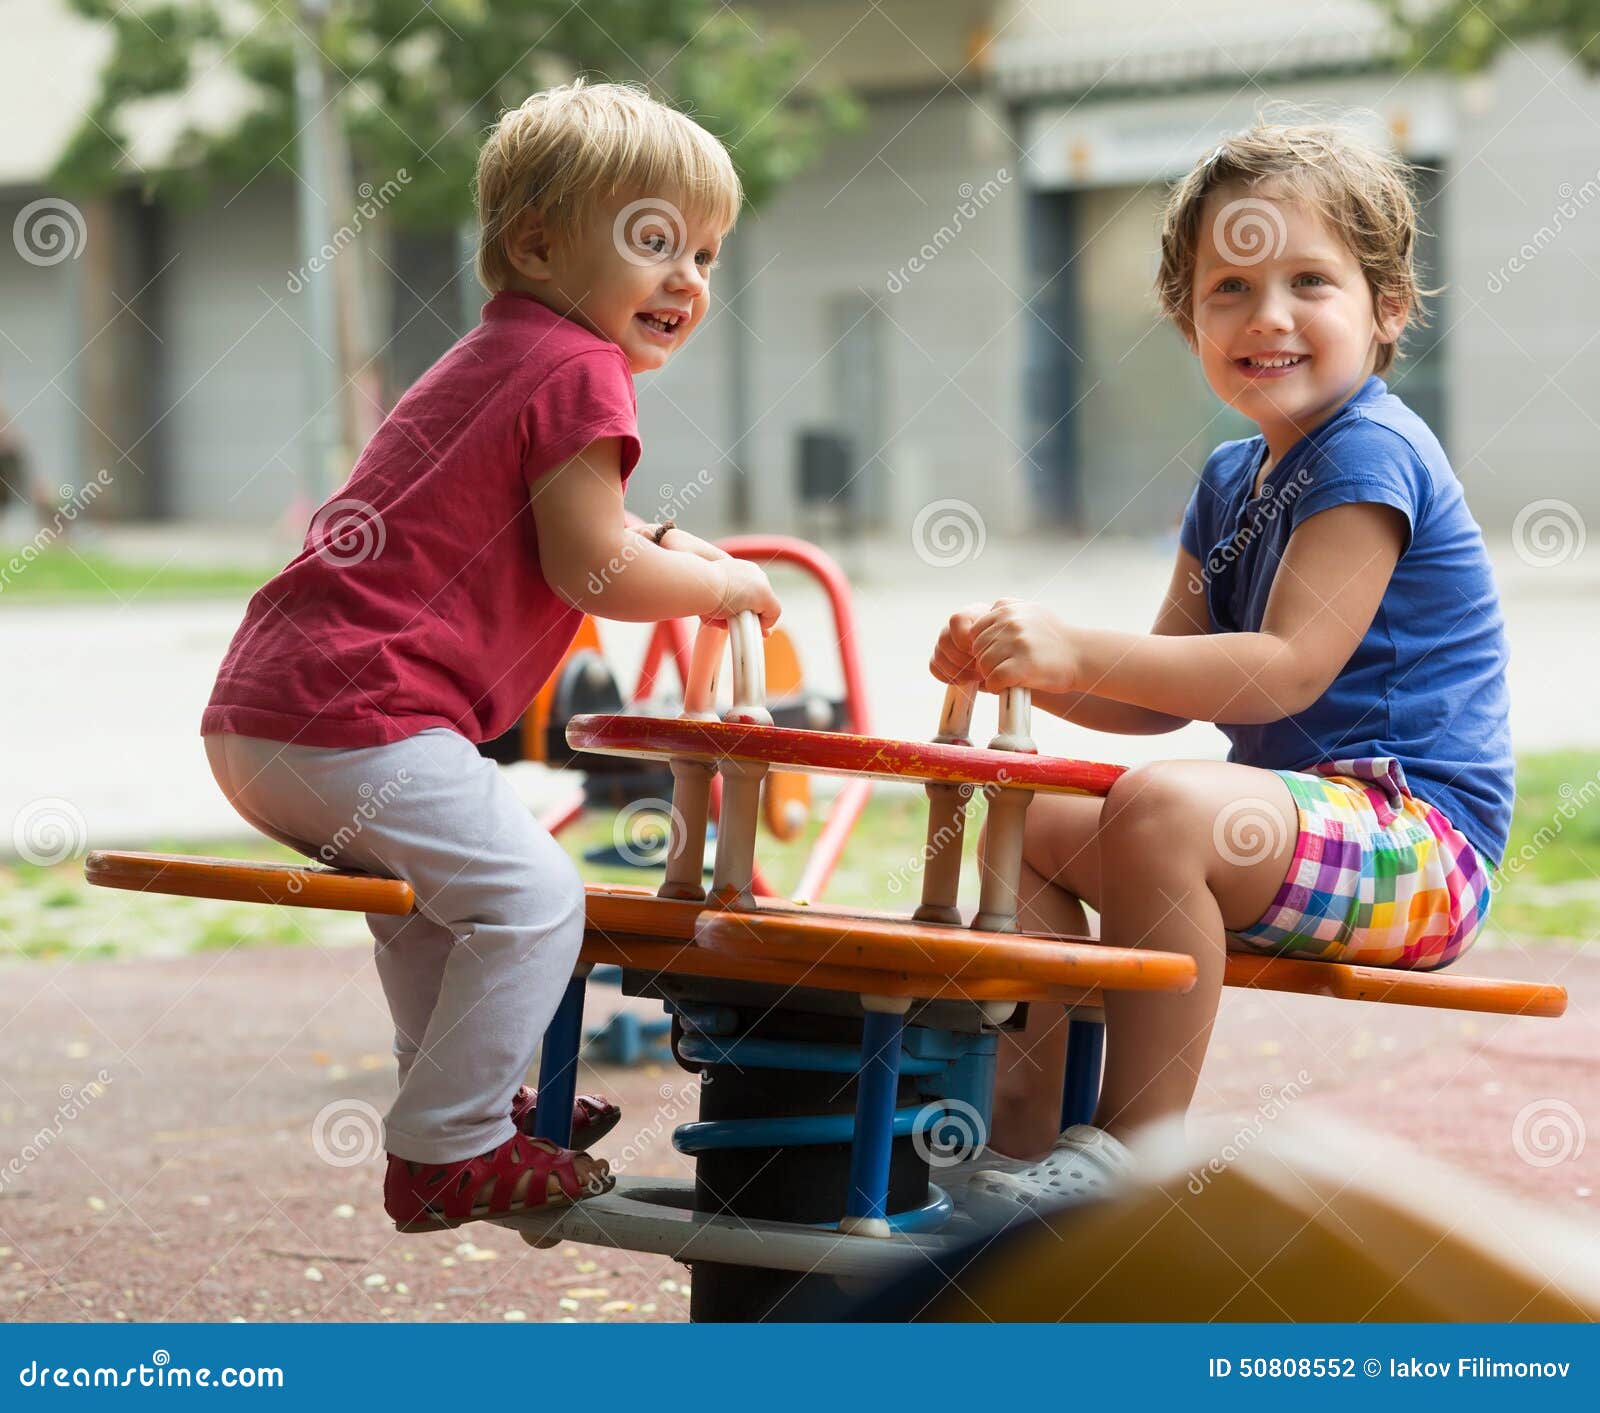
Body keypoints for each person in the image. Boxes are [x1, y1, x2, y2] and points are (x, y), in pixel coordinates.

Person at [201, 80, 780, 1232]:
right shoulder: (578, 370)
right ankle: (449, 1144)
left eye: (706, 254)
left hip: (269, 716)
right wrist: (723, 586)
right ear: (537, 244)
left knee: (435, 907)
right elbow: (593, 568)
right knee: (533, 897)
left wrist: (664, 541)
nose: (687, 279)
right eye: (655, 242)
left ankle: (465, 1104)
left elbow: (564, 519)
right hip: (361, 713)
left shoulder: (506, 354)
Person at [931, 118, 1510, 1224]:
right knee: (1028, 814)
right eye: (1229, 288)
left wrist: (1075, 644)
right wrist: (1024, 669)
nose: (1268, 316)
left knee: (1159, 811)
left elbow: (1284, 671)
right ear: (1187, 317)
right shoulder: (1232, 477)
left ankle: (1133, 1159)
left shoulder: (1371, 451)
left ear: (1388, 308)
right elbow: (1159, 694)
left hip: (1419, 841)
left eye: (1309, 281)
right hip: (1294, 826)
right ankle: (1023, 1127)